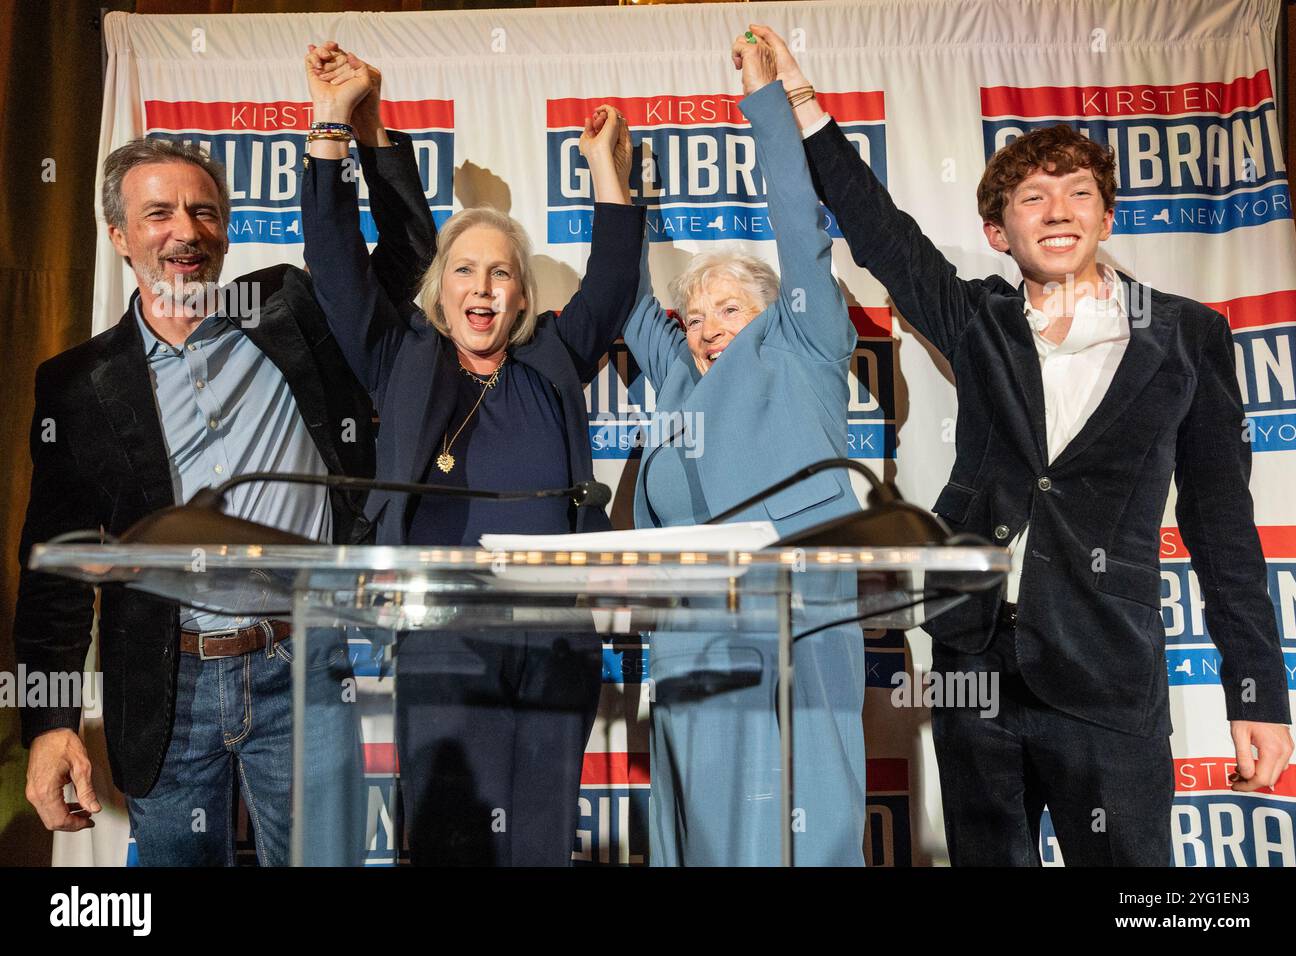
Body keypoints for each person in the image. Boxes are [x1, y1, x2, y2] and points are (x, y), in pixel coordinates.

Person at [742, 23, 1295, 865]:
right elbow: (881, 232)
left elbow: (1224, 531)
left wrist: (1256, 693)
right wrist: (803, 101)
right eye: (1032, 198)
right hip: (975, 659)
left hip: (1107, 670)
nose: (1058, 210)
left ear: (1106, 214)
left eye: (1076, 192)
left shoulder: (1186, 336)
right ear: (1001, 233)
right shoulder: (979, 322)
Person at [13, 41, 435, 865]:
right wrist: (51, 722)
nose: (185, 233)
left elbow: (409, 251)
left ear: (228, 227)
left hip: (304, 665)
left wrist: (364, 123)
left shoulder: (293, 311)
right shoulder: (76, 384)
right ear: (118, 235)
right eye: (159, 214)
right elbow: (55, 574)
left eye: (204, 213)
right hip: (166, 687)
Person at [300, 48, 645, 865]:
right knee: (453, 845)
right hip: (444, 636)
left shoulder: (552, 361)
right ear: (439, 289)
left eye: (501, 273)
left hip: (556, 640)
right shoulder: (401, 355)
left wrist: (605, 168)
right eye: (464, 270)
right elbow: (337, 262)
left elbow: (612, 280)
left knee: (540, 845)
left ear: (524, 296)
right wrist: (328, 127)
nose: (482, 286)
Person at [620, 34, 866, 866]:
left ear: (771, 310)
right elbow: (623, 301)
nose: (709, 328)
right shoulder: (678, 380)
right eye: (694, 316)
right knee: (710, 834)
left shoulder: (804, 341)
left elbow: (802, 228)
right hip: (692, 635)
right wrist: (611, 184)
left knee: (805, 821)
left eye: (728, 309)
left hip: (801, 616)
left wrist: (767, 103)